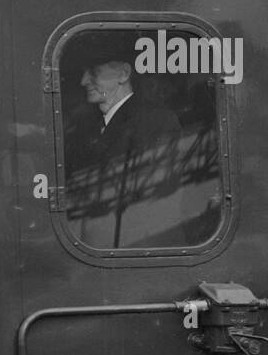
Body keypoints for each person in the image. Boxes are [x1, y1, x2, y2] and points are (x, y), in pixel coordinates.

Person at [67, 58, 182, 249]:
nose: (83, 80)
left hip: (134, 249)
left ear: (124, 74)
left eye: (94, 72)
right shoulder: (85, 125)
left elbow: (154, 202)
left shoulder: (156, 121)